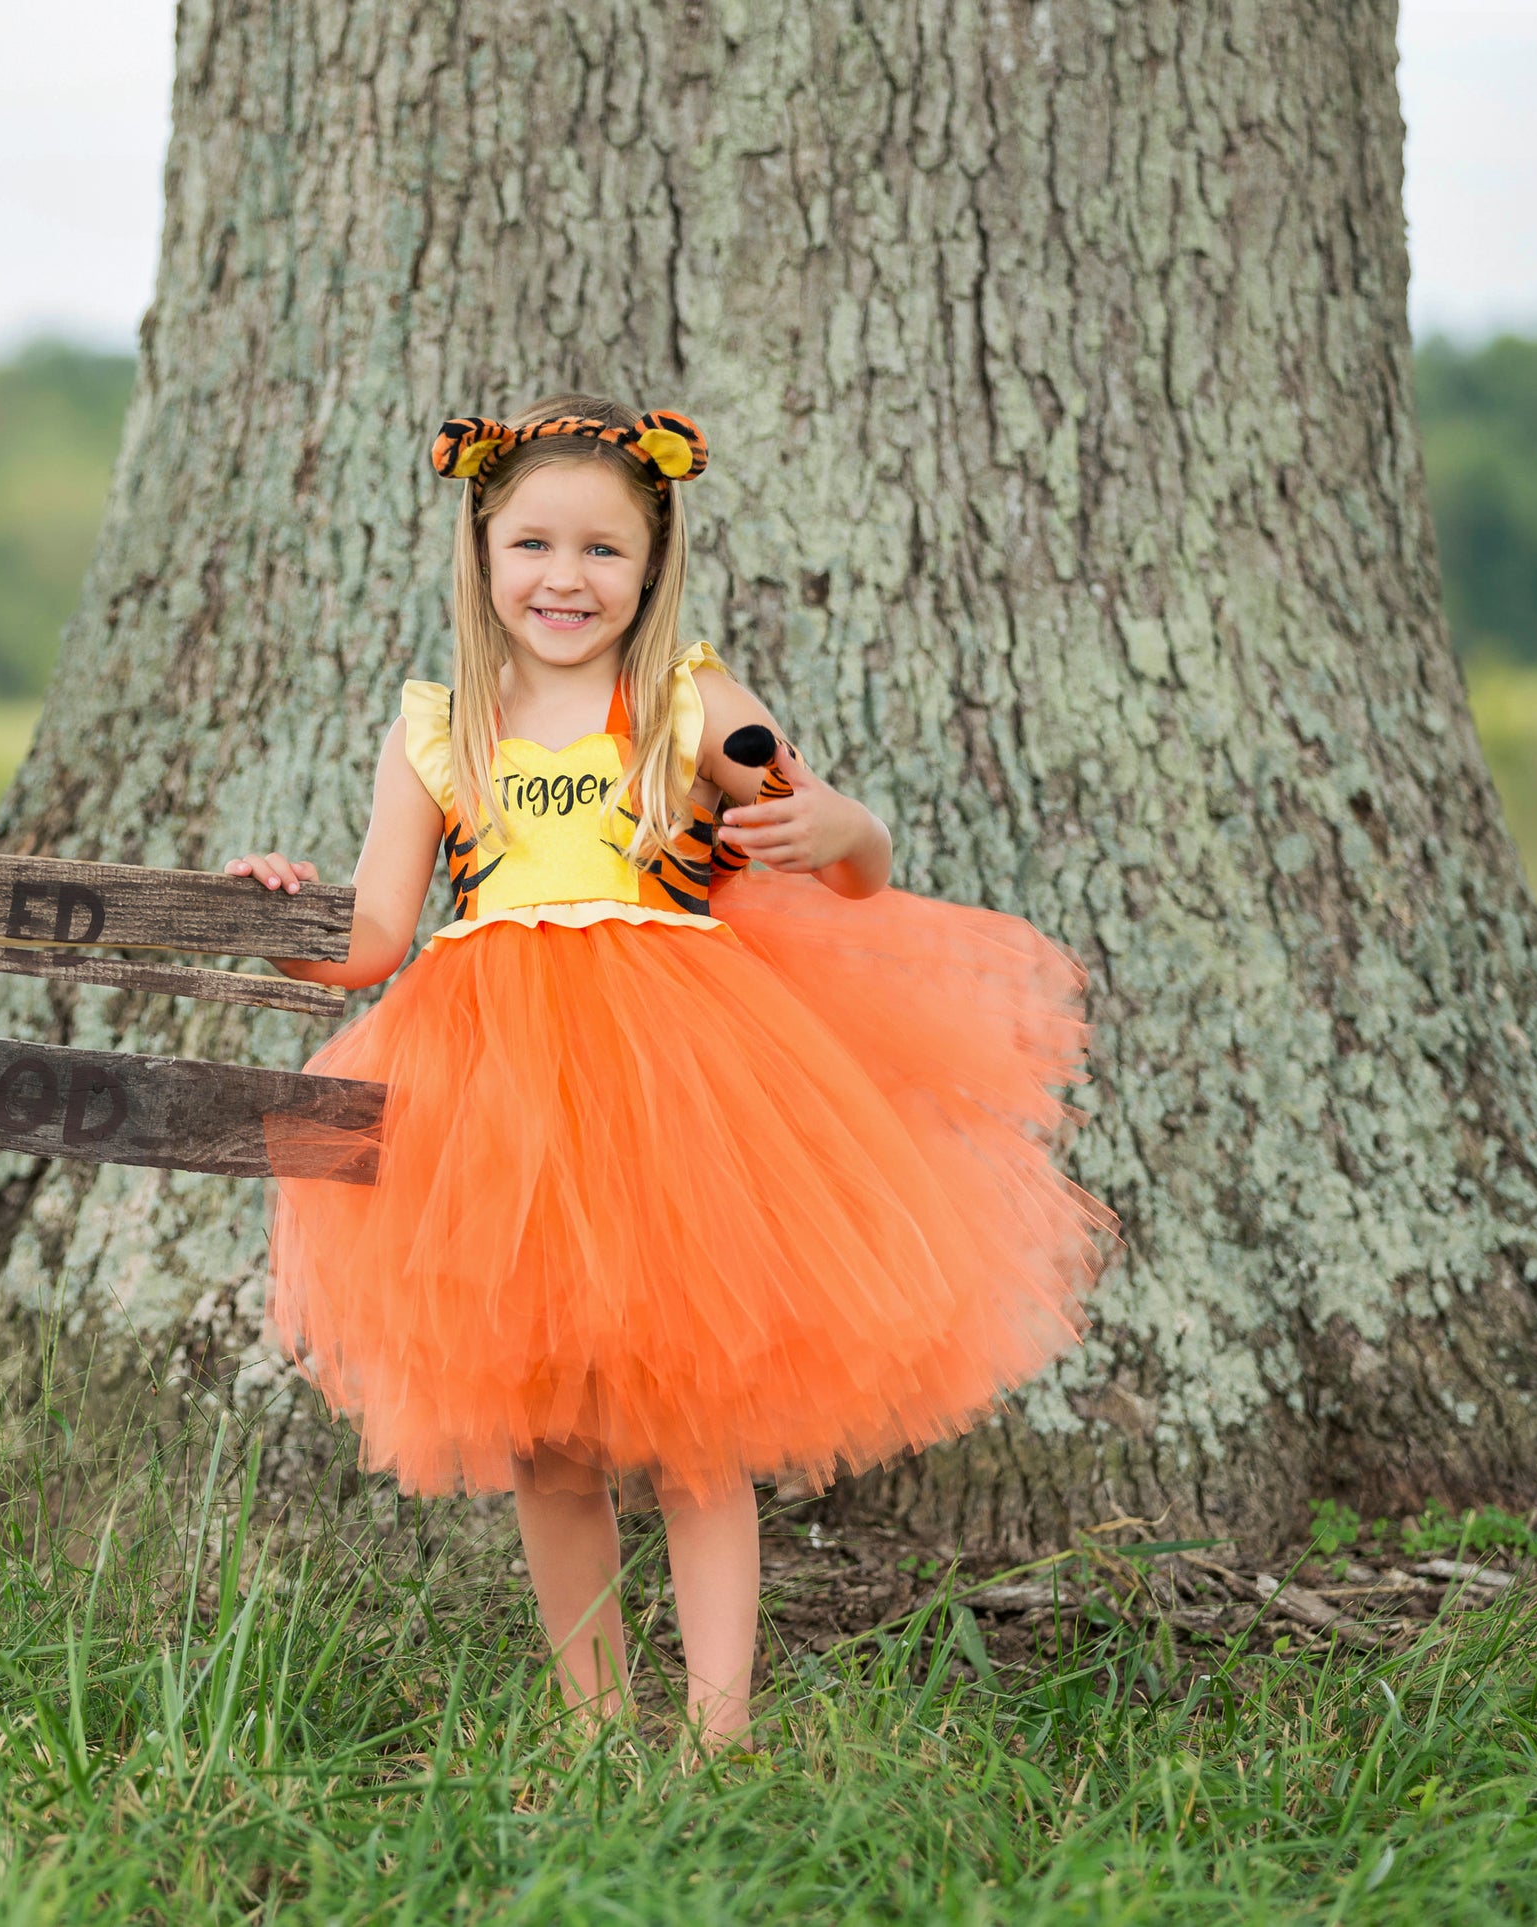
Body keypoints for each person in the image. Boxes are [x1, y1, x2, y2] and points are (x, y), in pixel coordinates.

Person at [228, 395, 1115, 1752]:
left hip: (679, 1076)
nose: (564, 579)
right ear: (479, 552)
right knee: (544, 1435)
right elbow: (368, 945)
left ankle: (719, 1729)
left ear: (650, 567)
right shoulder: (436, 725)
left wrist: (845, 824)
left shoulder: (690, 701)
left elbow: (845, 863)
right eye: (532, 544)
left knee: (700, 1422)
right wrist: (277, 915)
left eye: (602, 552)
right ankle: (589, 1727)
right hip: (496, 1094)